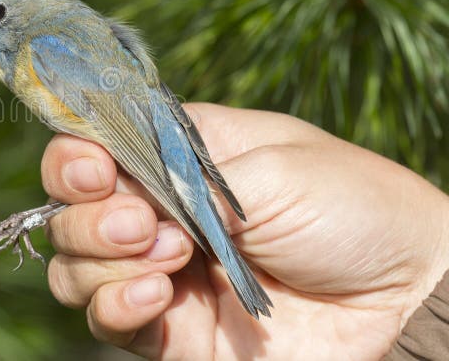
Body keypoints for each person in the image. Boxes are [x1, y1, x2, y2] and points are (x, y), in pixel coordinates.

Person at [41, 103, 449, 360]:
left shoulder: (46, 44)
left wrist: (423, 269)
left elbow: (133, 129)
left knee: (112, 196)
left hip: (150, 145)